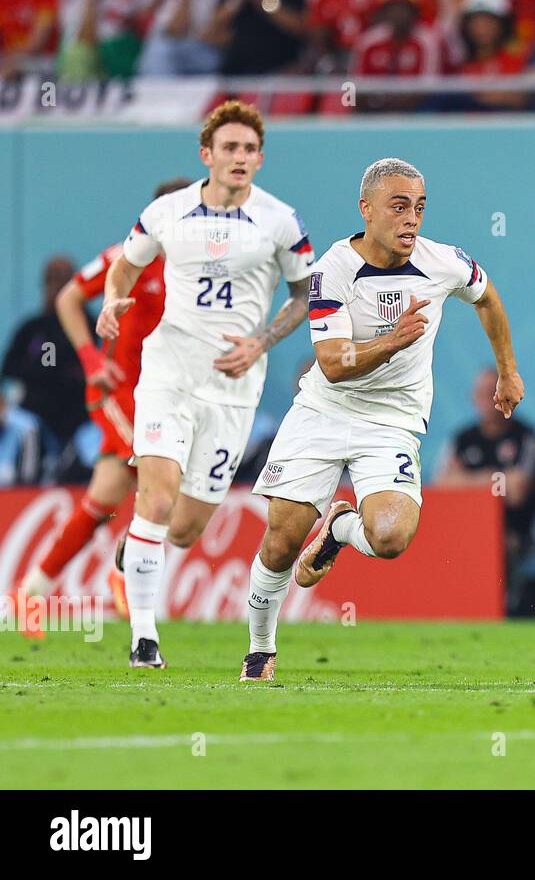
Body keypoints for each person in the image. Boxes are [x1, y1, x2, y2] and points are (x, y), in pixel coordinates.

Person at [239, 158, 524, 682]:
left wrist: (507, 370)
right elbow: (332, 363)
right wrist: (393, 339)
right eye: (398, 207)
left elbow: (487, 298)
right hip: (324, 411)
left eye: (418, 207)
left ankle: (342, 528)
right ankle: (260, 649)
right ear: (366, 210)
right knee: (281, 541)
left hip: (391, 422)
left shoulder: (444, 262)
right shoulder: (332, 270)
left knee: (391, 537)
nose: (411, 219)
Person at [95, 100, 315, 670]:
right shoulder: (167, 211)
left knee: (187, 529)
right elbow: (127, 262)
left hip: (234, 391)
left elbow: (302, 294)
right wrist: (114, 296)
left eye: (249, 150)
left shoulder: (281, 221)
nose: (239, 157)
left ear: (260, 159)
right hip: (168, 375)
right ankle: (144, 641)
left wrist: (261, 342)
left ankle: (136, 546)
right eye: (229, 148)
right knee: (158, 498)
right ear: (207, 155)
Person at [12, 177, 186, 639]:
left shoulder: (201, 269)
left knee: (104, 498)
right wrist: (91, 362)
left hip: (174, 395)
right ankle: (125, 567)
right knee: (164, 472)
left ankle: (30, 592)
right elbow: (71, 297)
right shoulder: (129, 257)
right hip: (123, 393)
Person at [440, 367, 535, 608]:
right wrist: (494, 479)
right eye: (481, 393)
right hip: (466, 529)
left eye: (492, 393)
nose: (487, 400)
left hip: (511, 532)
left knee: (500, 546)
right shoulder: (462, 439)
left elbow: (517, 492)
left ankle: (497, 607)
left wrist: (466, 480)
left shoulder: (525, 437)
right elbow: (442, 486)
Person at [3, 256, 88, 460]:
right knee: (25, 429)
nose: (57, 287)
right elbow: (8, 367)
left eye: (64, 281)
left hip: (79, 414)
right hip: (36, 410)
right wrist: (39, 368)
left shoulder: (89, 325)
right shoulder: (34, 328)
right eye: (52, 280)